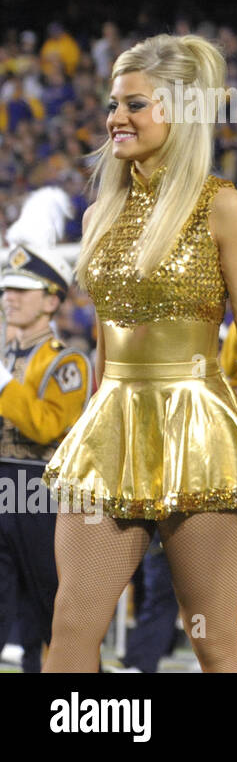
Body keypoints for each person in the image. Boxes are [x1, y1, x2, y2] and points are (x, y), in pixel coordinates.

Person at [42, 34, 237, 673]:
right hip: (112, 425)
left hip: (198, 428)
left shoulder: (225, 209)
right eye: (113, 105)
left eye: (134, 104)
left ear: (179, 111)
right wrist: (94, 418)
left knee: (213, 637)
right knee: (70, 628)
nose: (115, 118)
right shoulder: (101, 212)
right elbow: (102, 338)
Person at [0, 189, 92, 673]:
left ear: (52, 297)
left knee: (52, 613)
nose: (9, 296)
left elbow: (44, 427)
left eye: (22, 288)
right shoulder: (7, 355)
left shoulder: (68, 362)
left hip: (40, 495)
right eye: (6, 286)